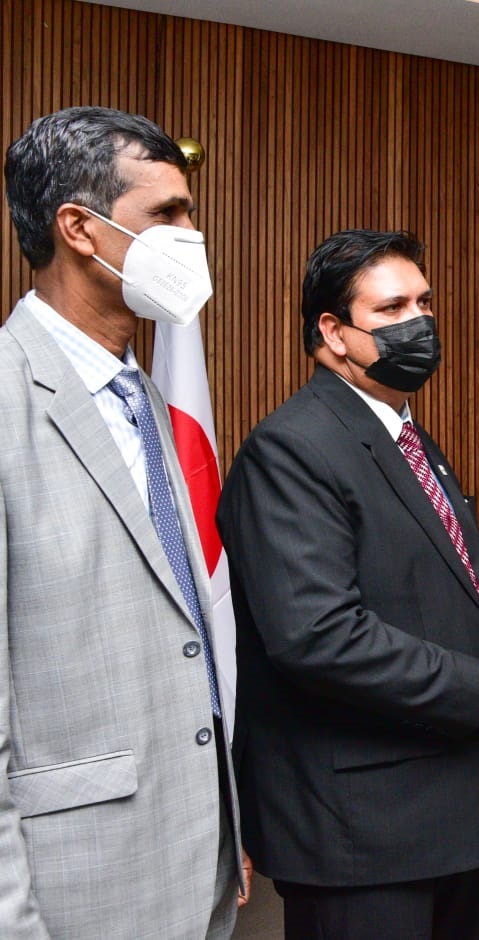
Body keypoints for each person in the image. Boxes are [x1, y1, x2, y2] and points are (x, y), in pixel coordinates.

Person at [216, 229, 479, 940]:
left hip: (446, 809)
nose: (421, 323)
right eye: (394, 306)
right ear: (332, 331)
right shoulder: (293, 448)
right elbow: (318, 635)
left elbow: (451, 584)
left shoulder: (405, 436)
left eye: (425, 301)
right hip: (366, 831)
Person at [0, 106, 242, 938]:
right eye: (167, 214)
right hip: (77, 888)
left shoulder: (144, 395)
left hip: (193, 860)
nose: (190, 234)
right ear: (78, 227)